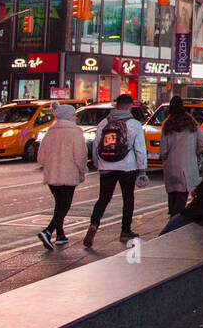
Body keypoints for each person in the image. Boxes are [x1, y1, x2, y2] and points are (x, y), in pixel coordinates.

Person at [85, 93, 147, 246]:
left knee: (103, 198)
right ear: (130, 106)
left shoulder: (103, 123)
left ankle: (94, 224)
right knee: (128, 198)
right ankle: (125, 231)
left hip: (106, 165)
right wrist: (142, 169)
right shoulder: (134, 124)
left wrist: (97, 162)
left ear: (116, 105)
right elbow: (139, 148)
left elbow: (96, 145)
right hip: (127, 166)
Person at [36, 103, 87, 249]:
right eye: (73, 115)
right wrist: (82, 170)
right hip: (68, 174)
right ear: (69, 116)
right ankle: (48, 231)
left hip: (52, 175)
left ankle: (60, 234)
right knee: (64, 206)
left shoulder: (50, 132)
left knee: (59, 205)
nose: (75, 117)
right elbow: (80, 156)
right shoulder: (75, 132)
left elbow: (41, 157)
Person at [158, 95, 203, 217]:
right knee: (181, 196)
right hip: (187, 166)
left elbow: (163, 149)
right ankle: (175, 222)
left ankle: (172, 217)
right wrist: (193, 154)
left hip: (171, 166)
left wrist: (165, 158)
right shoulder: (192, 124)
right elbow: (201, 143)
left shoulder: (167, 125)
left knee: (172, 194)